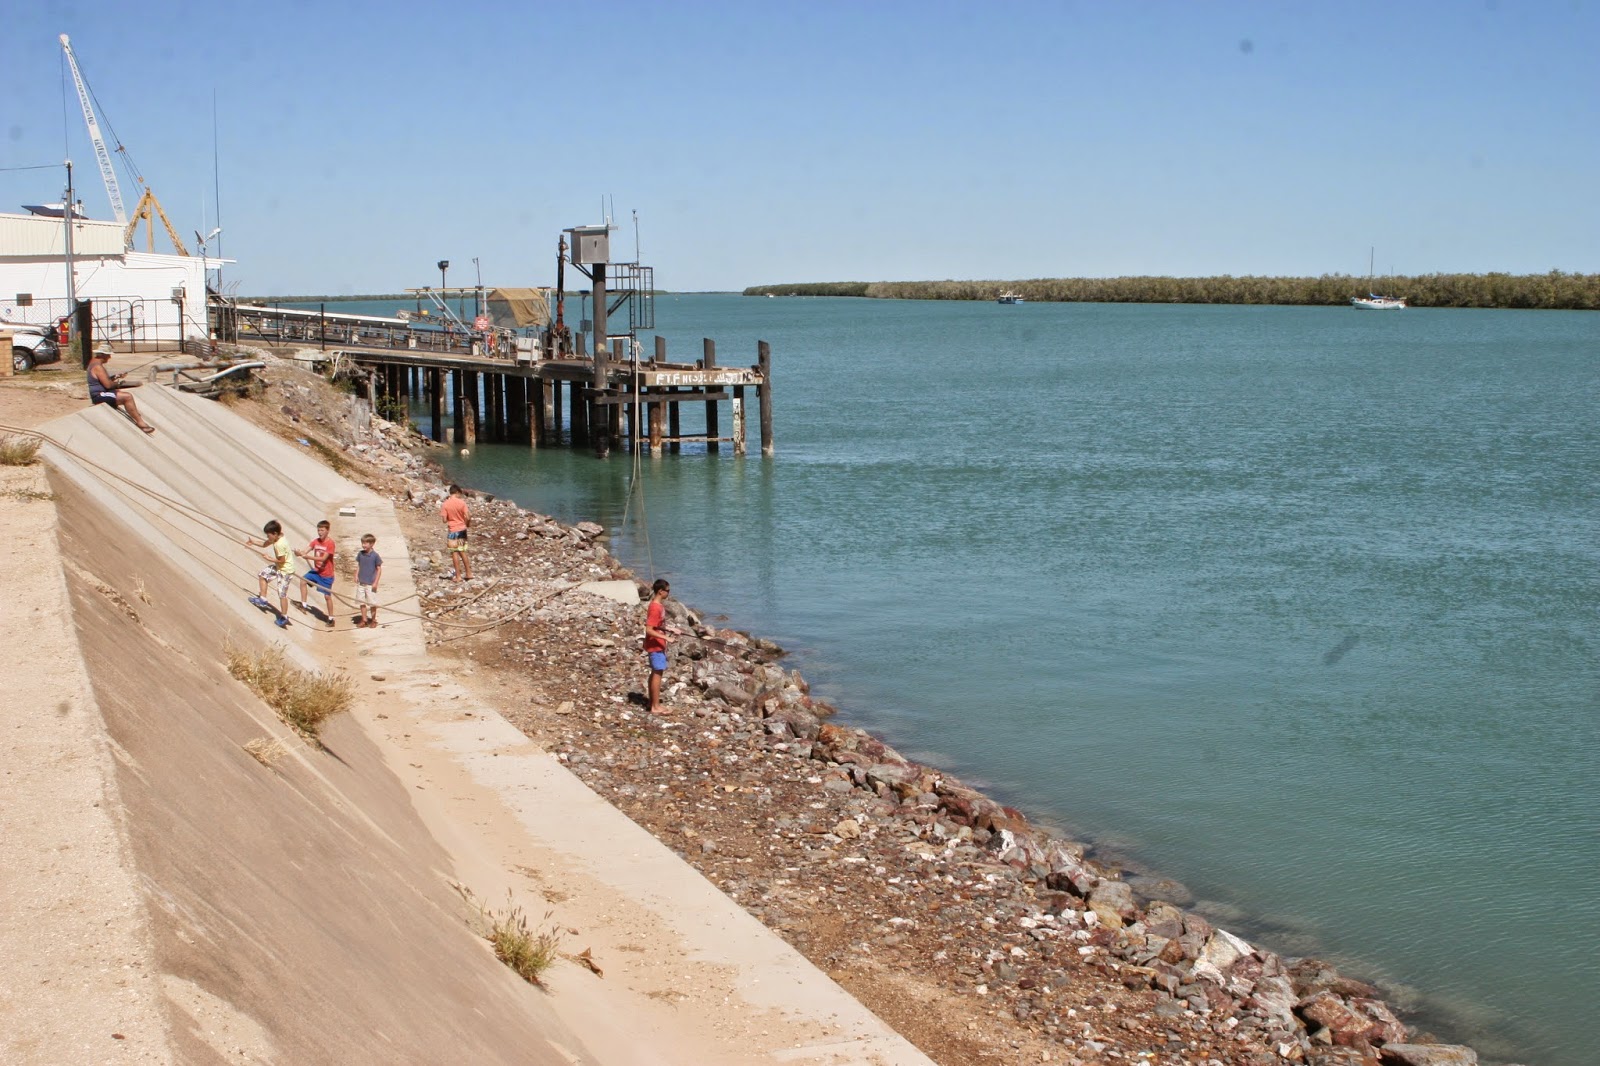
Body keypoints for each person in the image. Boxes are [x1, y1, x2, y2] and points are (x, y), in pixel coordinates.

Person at [86, 346, 155, 434]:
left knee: (121, 393)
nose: (109, 357)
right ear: (103, 355)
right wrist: (119, 384)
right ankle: (140, 423)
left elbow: (103, 380)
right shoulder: (98, 367)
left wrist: (115, 377)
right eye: (108, 355)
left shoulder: (93, 363)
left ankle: (136, 415)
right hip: (99, 395)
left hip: (102, 393)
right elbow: (108, 385)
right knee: (127, 397)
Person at [643, 578, 683, 716]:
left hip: (657, 644)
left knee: (656, 672)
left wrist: (671, 629)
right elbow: (649, 629)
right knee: (658, 673)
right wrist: (666, 638)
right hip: (655, 645)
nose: (669, 593)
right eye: (667, 591)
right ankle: (655, 706)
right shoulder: (655, 607)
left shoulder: (658, 606)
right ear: (660, 591)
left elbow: (658, 626)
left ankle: (651, 702)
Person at [245, 520, 294, 627]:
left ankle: (284, 617)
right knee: (263, 575)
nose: (268, 537)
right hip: (279, 567)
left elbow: (282, 560)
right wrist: (253, 542)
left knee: (282, 594)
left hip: (286, 570)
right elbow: (264, 544)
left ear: (275, 534)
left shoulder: (280, 544)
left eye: (269, 535)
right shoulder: (277, 537)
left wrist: (269, 558)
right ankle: (263, 599)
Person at [296, 519, 336, 626]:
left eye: (322, 530)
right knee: (303, 580)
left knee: (327, 597)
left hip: (326, 575)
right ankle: (303, 605)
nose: (320, 532)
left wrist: (307, 556)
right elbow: (306, 550)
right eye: (319, 530)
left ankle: (331, 618)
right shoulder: (315, 541)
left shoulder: (330, 543)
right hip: (316, 572)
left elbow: (323, 559)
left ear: (328, 531)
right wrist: (299, 553)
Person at [439, 484, 472, 581]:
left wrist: (450, 518)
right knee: (462, 551)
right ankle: (469, 573)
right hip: (462, 530)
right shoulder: (462, 503)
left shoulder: (446, 504)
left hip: (453, 531)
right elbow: (468, 516)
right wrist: (467, 524)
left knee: (454, 553)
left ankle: (458, 576)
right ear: (457, 492)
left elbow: (444, 520)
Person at [355, 534, 383, 628]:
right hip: (361, 582)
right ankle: (364, 619)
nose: (364, 545)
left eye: (366, 543)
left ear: (372, 544)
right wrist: (356, 575)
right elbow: (359, 565)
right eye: (363, 543)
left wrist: (376, 582)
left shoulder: (375, 556)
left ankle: (373, 619)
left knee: (372, 603)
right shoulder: (360, 554)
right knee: (361, 602)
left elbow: (379, 569)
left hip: (370, 583)